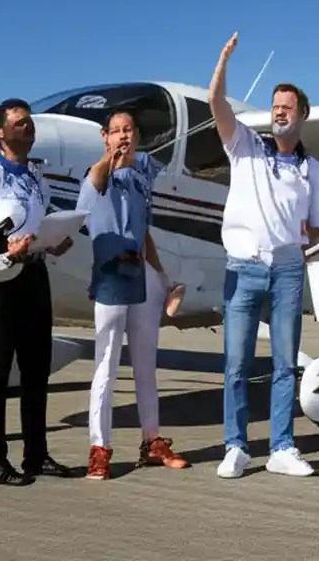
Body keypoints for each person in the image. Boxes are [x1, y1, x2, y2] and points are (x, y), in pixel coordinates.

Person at [207, 32, 319, 479]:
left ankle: (282, 446)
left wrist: (301, 237)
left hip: (288, 269)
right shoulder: (244, 146)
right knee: (236, 363)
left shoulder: (312, 170)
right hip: (242, 266)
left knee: (285, 362)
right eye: (275, 105)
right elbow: (216, 102)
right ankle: (236, 446)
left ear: (302, 116)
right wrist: (223, 61)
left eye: (287, 107)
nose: (278, 111)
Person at [0, 97, 76, 486]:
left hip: (33, 276)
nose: (28, 128)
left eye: (30, 123)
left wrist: (52, 243)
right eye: (20, 123)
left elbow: (36, 229)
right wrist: (4, 249)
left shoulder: (36, 179)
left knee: (35, 371)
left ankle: (36, 455)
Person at [76, 107, 191, 480]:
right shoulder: (97, 177)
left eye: (128, 130)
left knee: (145, 367)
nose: (123, 136)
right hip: (111, 277)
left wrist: (162, 275)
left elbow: (144, 234)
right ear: (105, 137)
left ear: (137, 135)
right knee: (106, 368)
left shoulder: (142, 181)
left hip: (142, 276)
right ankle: (99, 449)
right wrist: (108, 159)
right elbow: (93, 184)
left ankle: (152, 442)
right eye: (116, 131)